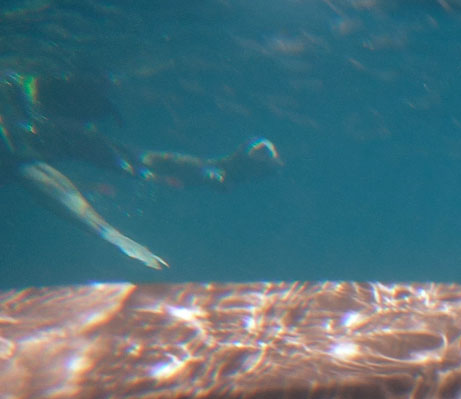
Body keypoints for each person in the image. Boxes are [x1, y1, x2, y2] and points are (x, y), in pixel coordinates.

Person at [2, 70, 281, 271]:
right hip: (25, 121)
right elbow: (35, 174)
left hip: (30, 120)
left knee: (109, 153)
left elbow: (132, 160)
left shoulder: (38, 122)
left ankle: (219, 168)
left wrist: (214, 170)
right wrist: (110, 234)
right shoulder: (20, 112)